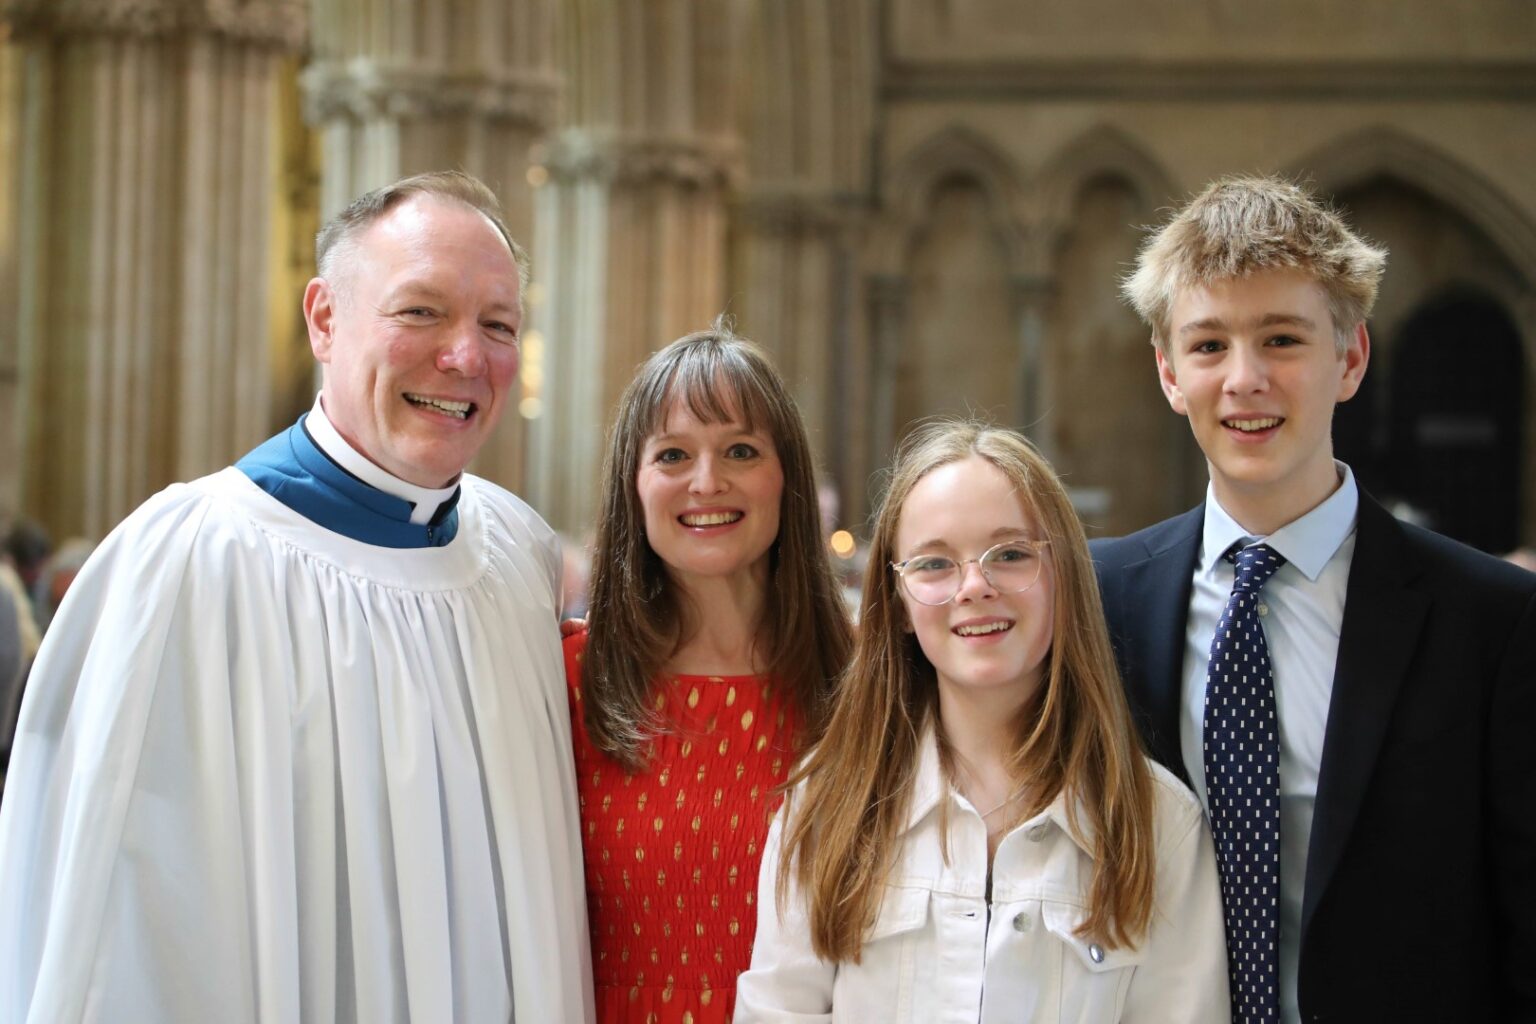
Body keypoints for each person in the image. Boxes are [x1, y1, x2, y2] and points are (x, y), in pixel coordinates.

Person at [0, 171, 593, 1023]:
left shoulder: (517, 558)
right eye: (420, 311)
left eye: (498, 325)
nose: (466, 356)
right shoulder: (190, 563)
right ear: (324, 318)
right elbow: (121, 933)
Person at [1094, 175, 1536, 1023]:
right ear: (1168, 373)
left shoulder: (1495, 624)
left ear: (1351, 358)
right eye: (1209, 345)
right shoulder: (1102, 597)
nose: (1244, 379)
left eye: (1283, 339)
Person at [737, 420, 1229, 1023]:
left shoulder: (1159, 826)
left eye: (1011, 554)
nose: (975, 586)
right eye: (934, 564)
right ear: (897, 604)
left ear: (1063, 575)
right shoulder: (826, 805)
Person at [564, 323, 853, 1023]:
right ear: (634, 486)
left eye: (740, 451)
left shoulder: (862, 684)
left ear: (787, 479)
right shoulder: (568, 681)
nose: (706, 481)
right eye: (672, 454)